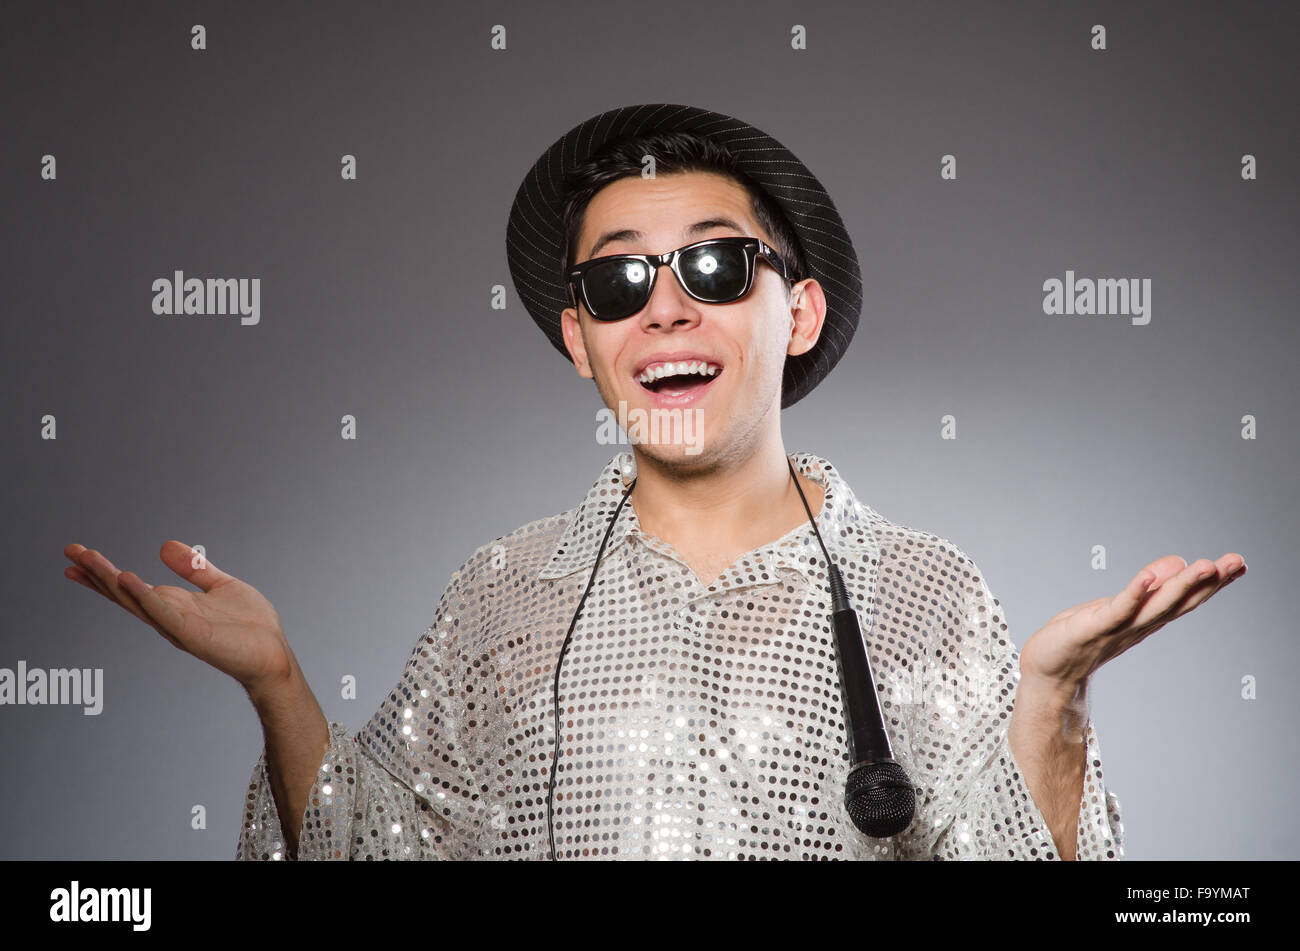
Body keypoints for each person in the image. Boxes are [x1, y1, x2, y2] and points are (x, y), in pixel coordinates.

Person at [63, 104, 1245, 861]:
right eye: (618, 284)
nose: (667, 304)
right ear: (581, 341)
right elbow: (375, 851)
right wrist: (275, 681)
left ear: (798, 312)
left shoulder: (928, 593)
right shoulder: (499, 591)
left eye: (717, 266)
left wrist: (1054, 704)